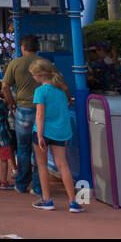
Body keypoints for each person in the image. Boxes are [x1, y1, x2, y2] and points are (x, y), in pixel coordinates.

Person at [2, 34, 60, 196]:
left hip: (23, 110)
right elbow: (58, 83)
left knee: (23, 148)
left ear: (23, 47)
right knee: (40, 149)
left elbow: (5, 86)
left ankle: (21, 184)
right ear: (37, 48)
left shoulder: (15, 63)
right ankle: (38, 186)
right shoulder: (46, 64)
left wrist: (12, 104)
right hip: (43, 111)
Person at [30, 59, 83, 212]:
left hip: (43, 131)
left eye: (33, 75)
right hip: (61, 131)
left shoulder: (40, 91)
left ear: (40, 75)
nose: (33, 77)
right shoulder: (61, 89)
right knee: (63, 165)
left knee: (42, 165)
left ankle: (47, 200)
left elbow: (40, 115)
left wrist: (39, 135)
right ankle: (73, 201)